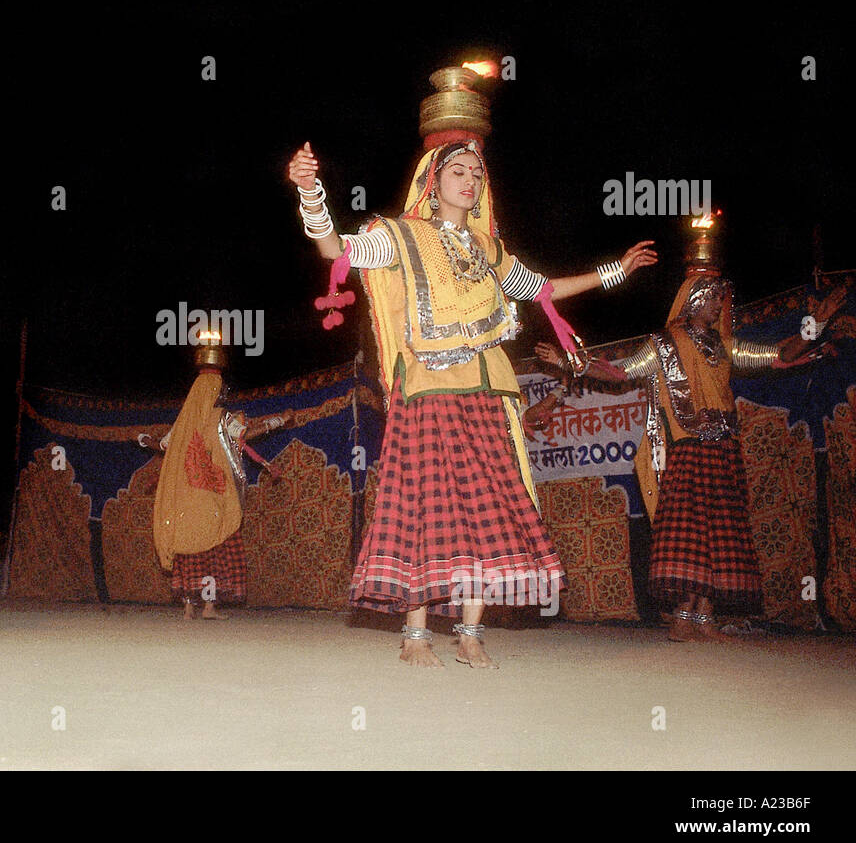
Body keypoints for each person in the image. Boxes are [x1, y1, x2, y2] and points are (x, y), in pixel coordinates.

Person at [287, 120, 656, 668]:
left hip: (487, 385)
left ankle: (470, 631)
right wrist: (309, 190)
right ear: (432, 182)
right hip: (428, 385)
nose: (470, 180)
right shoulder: (398, 235)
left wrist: (614, 272)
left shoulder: (487, 247)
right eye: (458, 170)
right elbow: (333, 248)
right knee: (426, 503)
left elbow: (544, 289)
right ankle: (415, 635)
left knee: (490, 505)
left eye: (477, 173)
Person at [538, 263, 846, 641]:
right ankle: (683, 617)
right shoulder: (664, 343)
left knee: (722, 535)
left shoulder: (723, 346)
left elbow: (778, 355)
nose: (721, 303)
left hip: (724, 448)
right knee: (689, 535)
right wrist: (574, 361)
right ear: (695, 298)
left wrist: (815, 324)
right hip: (688, 448)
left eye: (721, 296)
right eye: (714, 296)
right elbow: (622, 372)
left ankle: (705, 618)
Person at [143, 343, 290, 618]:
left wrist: (142, 440)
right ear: (212, 391)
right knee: (218, 546)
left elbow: (163, 445)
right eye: (220, 388)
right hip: (214, 494)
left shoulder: (183, 421)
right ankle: (209, 607)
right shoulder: (220, 417)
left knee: (188, 548)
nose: (223, 393)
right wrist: (280, 420)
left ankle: (188, 609)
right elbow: (247, 433)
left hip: (187, 498)